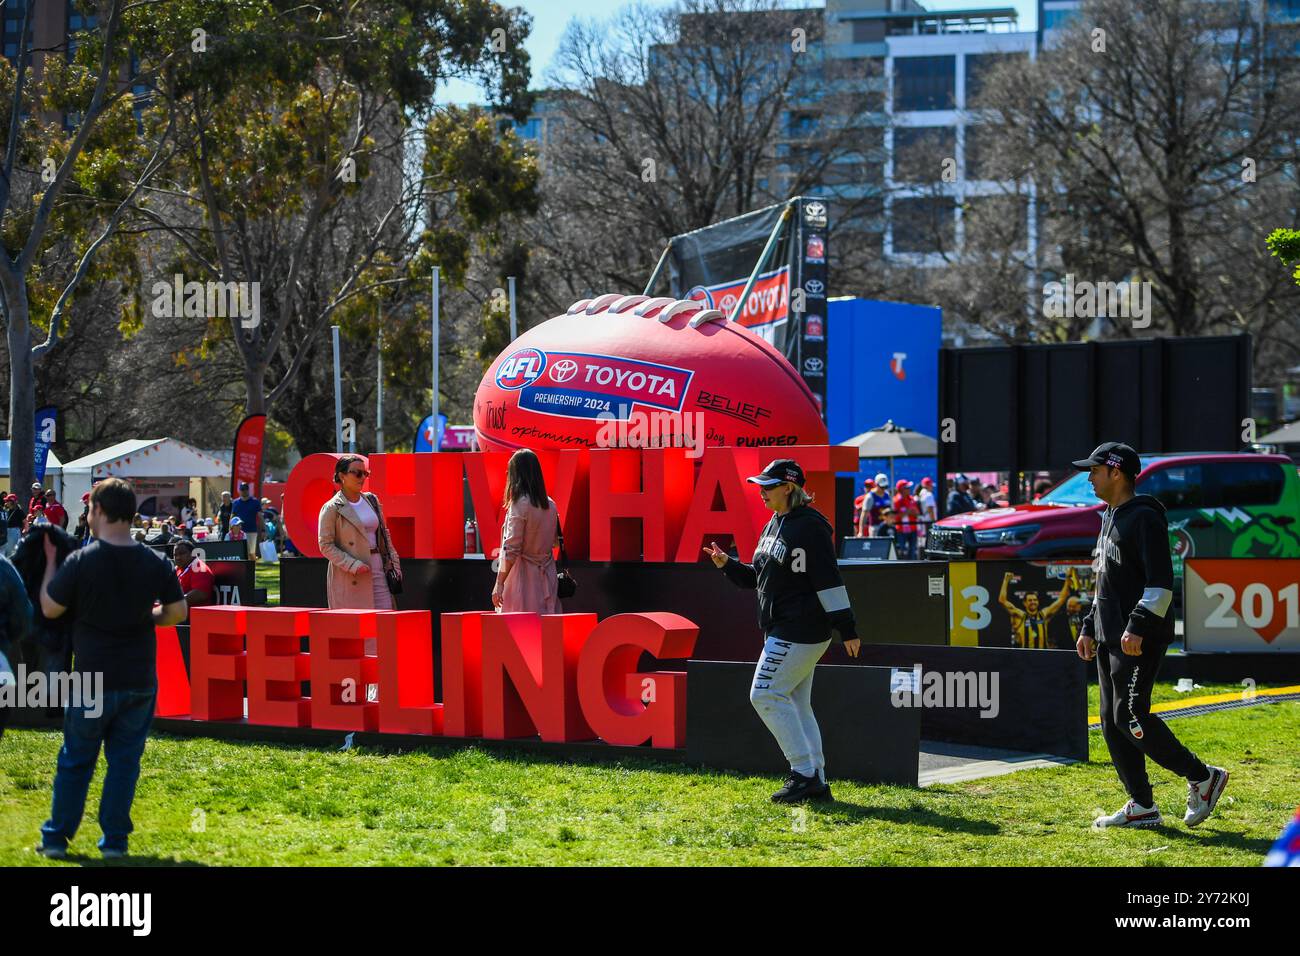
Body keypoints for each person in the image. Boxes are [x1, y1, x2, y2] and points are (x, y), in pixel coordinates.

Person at [1072, 441, 1228, 829]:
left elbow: (1160, 583)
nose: (1089, 478)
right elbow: (1104, 582)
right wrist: (1090, 626)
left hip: (1138, 636)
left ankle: (1202, 777)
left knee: (1129, 715)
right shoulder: (1110, 515)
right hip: (1110, 635)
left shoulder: (1144, 517)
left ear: (1116, 472)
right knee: (1111, 721)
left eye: (1094, 471)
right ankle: (1142, 805)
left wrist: (1137, 625)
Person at [35, 478, 188, 859]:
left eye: (90, 509)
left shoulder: (81, 561)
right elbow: (177, 612)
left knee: (76, 760)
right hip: (138, 677)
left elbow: (50, 608)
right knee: (124, 764)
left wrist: (50, 564)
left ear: (99, 510)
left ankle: (56, 839)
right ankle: (115, 842)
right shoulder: (154, 561)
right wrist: (149, 616)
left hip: (92, 677)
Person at [704, 458, 860, 804]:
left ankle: (803, 774)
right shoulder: (775, 522)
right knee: (796, 703)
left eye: (768, 486)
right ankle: (816, 779)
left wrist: (847, 627)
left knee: (764, 694)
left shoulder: (810, 526)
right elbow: (758, 579)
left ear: (788, 487)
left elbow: (829, 580)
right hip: (784, 627)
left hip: (800, 629)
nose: (761, 492)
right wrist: (728, 565)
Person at [318, 454, 401, 611]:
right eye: (357, 473)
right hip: (351, 575)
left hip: (378, 569)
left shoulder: (372, 501)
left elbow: (384, 534)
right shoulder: (331, 508)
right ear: (342, 476)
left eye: (365, 473)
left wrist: (395, 563)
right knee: (359, 622)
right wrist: (352, 565)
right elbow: (325, 545)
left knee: (386, 617)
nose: (362, 477)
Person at [492, 449, 559, 613]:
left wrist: (499, 582)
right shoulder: (551, 505)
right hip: (548, 579)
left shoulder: (520, 504)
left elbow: (511, 549)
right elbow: (555, 542)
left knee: (519, 626)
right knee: (548, 625)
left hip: (522, 582)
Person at [998, 571, 1069, 648]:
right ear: (1024, 603)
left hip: (1043, 654)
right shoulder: (1020, 615)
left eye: (1035, 600)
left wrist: (1067, 578)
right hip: (1025, 654)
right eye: (1030, 600)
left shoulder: (1043, 615)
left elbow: (1061, 599)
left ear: (1038, 602)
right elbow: (1002, 601)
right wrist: (1006, 580)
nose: (1033, 602)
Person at [172, 541, 215, 615]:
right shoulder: (178, 568)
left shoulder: (200, 569)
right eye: (175, 555)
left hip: (197, 617)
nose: (178, 557)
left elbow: (200, 594)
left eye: (182, 553)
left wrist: (172, 602)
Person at [231, 484, 262, 560]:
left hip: (251, 530)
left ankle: (252, 566)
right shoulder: (235, 502)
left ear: (248, 490)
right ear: (239, 491)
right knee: (240, 552)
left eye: (245, 489)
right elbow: (232, 517)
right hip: (238, 532)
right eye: (242, 490)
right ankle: (243, 567)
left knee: (251, 552)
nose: (244, 491)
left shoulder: (255, 502)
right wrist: (230, 529)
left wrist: (263, 529)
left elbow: (260, 516)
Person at [892, 479, 920, 559]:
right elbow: (894, 517)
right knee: (901, 551)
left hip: (913, 529)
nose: (909, 489)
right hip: (900, 530)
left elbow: (917, 513)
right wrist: (908, 512)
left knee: (912, 551)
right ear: (901, 489)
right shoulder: (895, 500)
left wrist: (910, 512)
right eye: (907, 488)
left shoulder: (911, 499)